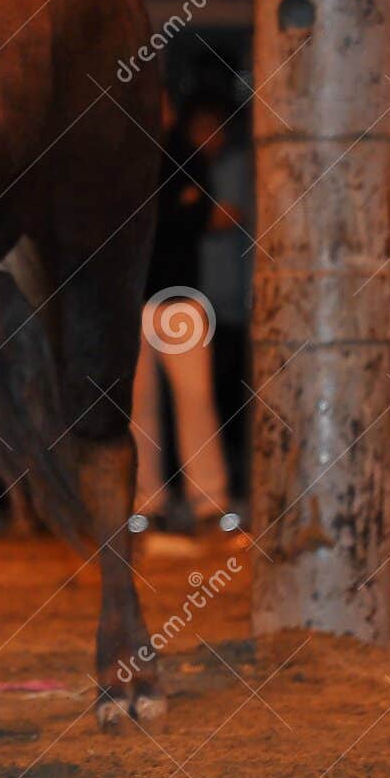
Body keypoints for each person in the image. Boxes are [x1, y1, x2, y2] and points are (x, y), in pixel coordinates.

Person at [131, 94, 234, 531]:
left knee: (196, 400)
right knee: (138, 407)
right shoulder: (122, 161)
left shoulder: (189, 158)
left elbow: (190, 218)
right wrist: (182, 214)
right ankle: (145, 505)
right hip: (133, 301)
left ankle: (208, 503)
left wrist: (176, 215)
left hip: (182, 300)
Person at [184, 92, 254, 507]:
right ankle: (187, 494)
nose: (204, 137)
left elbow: (230, 216)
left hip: (231, 308)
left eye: (212, 129)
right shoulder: (181, 166)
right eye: (198, 129)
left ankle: (235, 492)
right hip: (191, 303)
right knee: (195, 400)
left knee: (231, 404)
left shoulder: (237, 167)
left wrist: (191, 215)